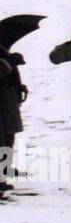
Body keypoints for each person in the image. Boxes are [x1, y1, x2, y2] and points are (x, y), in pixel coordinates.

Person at [0, 46, 28, 192]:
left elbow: (11, 71)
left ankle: (4, 169)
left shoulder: (2, 49)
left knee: (9, 135)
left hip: (7, 97)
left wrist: (18, 85)